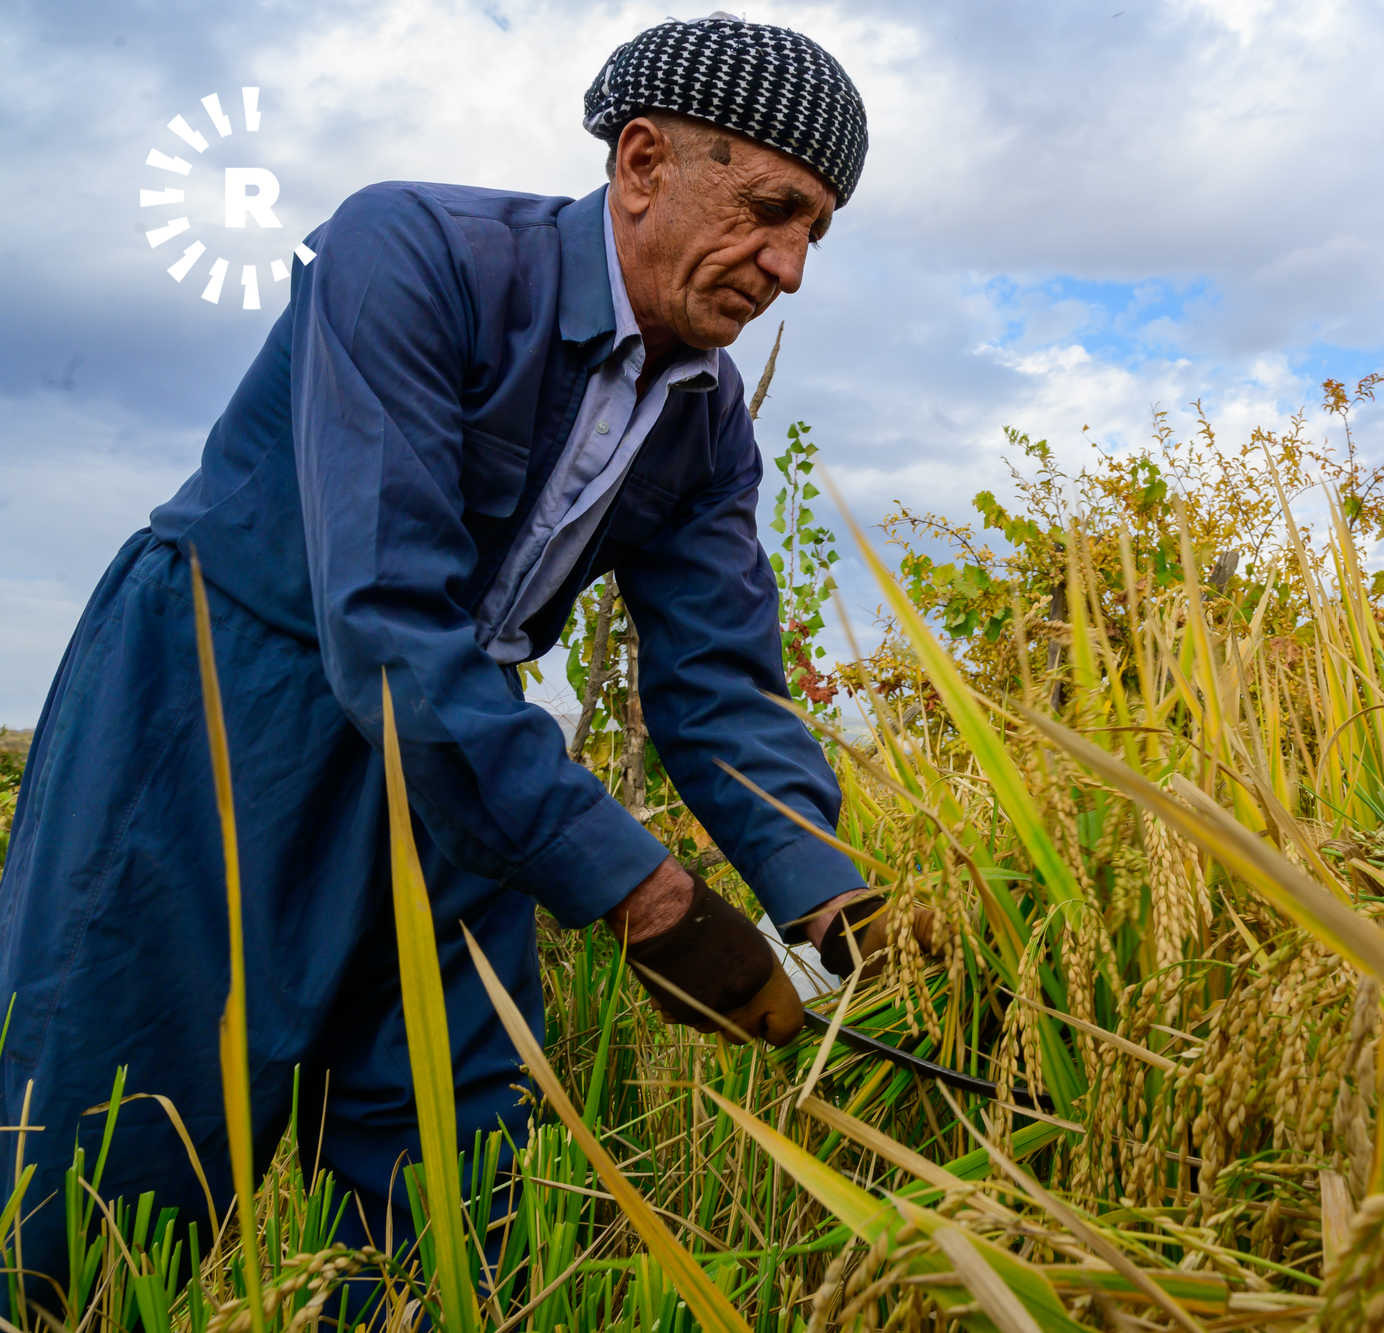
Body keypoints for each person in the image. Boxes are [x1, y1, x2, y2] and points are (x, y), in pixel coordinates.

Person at [0, 14, 906, 1316]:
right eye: (773, 210)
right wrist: (645, 897)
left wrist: (834, 899)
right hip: (218, 702)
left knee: (457, 1167)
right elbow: (379, 611)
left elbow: (717, 689)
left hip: (460, 757)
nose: (791, 267)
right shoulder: (409, 253)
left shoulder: (704, 427)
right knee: (112, 1143)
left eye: (817, 230)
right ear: (643, 161)